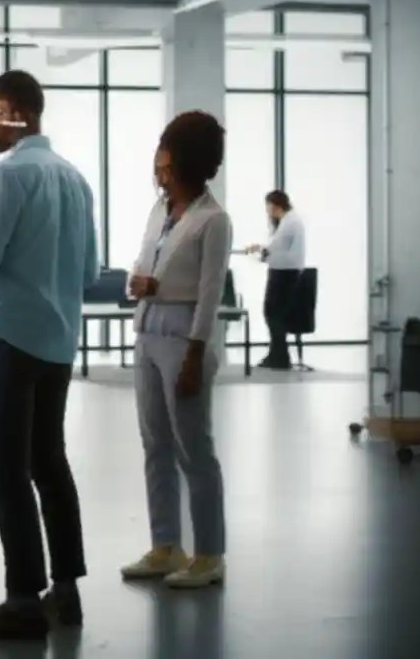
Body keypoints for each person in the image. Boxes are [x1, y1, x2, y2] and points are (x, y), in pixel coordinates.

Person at [0, 70, 98, 641]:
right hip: (56, 342)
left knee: (6, 469)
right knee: (48, 463)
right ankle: (67, 591)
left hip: (4, 338)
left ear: (9, 111)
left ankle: (23, 597)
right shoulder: (75, 180)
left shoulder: (5, 177)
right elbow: (90, 272)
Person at [122, 111, 231, 590]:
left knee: (195, 449)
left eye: (166, 161)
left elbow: (210, 296)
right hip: (147, 328)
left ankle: (209, 554)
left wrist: (193, 355)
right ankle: (166, 544)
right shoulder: (160, 212)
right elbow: (144, 264)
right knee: (154, 443)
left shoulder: (214, 219)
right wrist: (137, 282)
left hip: (185, 333)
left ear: (189, 160)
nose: (160, 170)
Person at [245, 190, 306, 370]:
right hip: (282, 270)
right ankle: (277, 354)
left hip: (284, 273)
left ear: (275, 205)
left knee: (273, 313)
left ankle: (280, 356)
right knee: (273, 313)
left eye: (268, 207)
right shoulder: (286, 221)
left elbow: (274, 246)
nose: (267, 211)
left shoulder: (290, 222)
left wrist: (258, 249)